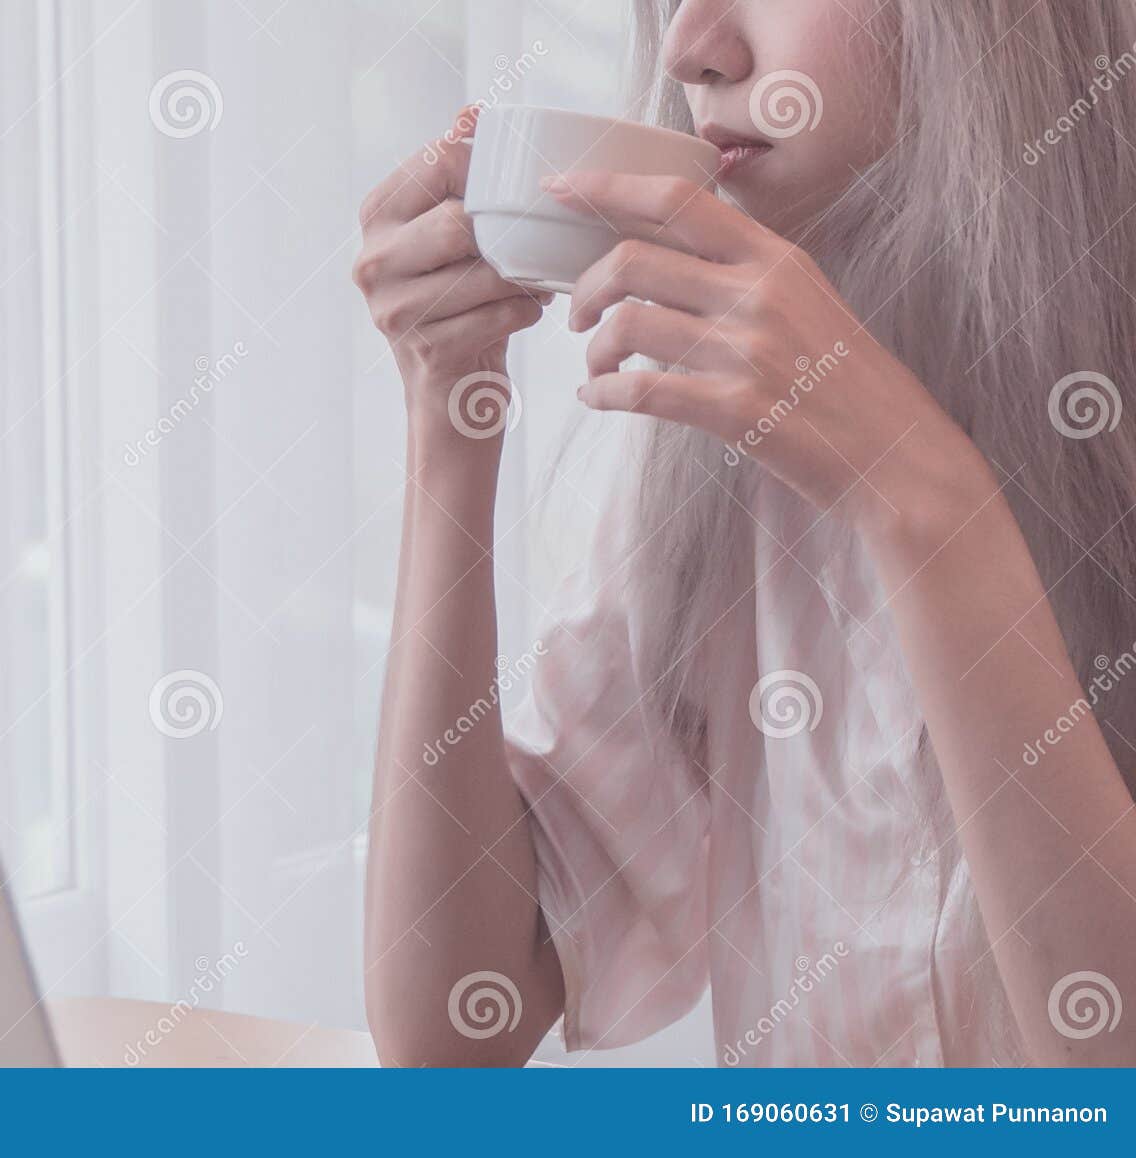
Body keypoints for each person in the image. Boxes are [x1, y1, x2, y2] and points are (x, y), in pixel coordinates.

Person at [355, 0, 1136, 1067]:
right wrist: (449, 413)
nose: (687, 46)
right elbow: (450, 1025)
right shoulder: (723, 432)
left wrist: (923, 502)